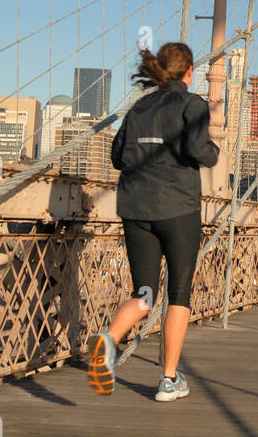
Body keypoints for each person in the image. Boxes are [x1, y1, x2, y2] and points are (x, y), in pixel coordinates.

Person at [86, 41, 219, 402]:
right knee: (178, 294)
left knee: (144, 293)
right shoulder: (193, 104)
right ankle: (168, 380)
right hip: (177, 209)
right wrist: (213, 151)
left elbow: (117, 157)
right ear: (189, 72)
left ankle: (109, 341)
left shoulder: (139, 107)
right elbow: (197, 150)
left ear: (159, 69)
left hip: (136, 210)